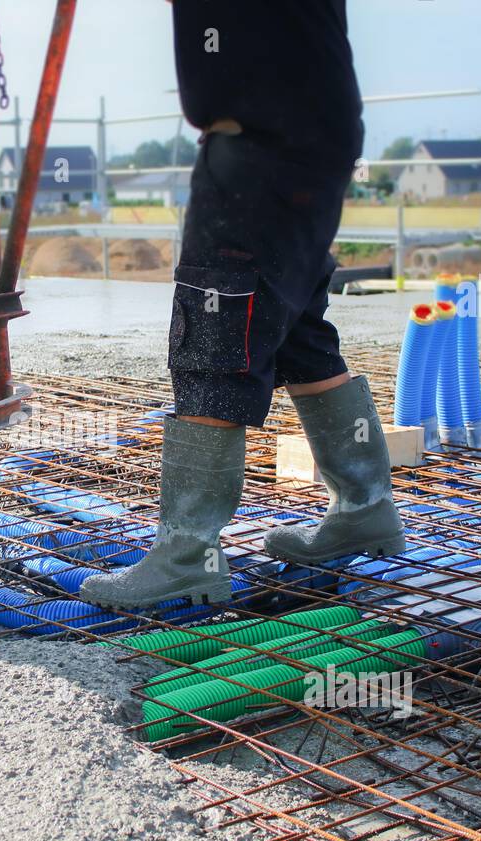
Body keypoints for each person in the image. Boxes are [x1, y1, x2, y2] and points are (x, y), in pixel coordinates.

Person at [80, 0, 404, 610]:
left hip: (264, 147)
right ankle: (365, 506)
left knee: (216, 330)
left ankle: (186, 554)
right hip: (311, 135)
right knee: (297, 327)